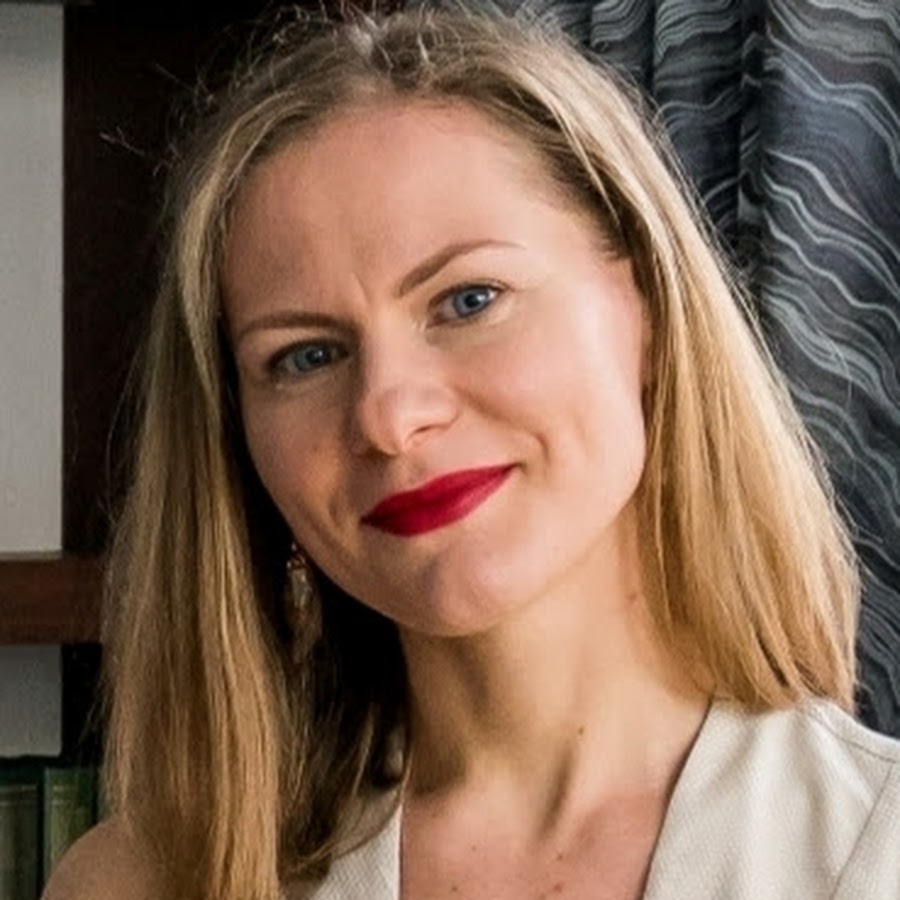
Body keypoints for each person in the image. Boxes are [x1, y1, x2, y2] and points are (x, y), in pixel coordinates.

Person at [44, 7, 900, 900]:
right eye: (306, 356)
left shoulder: (878, 853)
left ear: (646, 306)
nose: (388, 416)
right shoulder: (134, 884)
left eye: (469, 300)